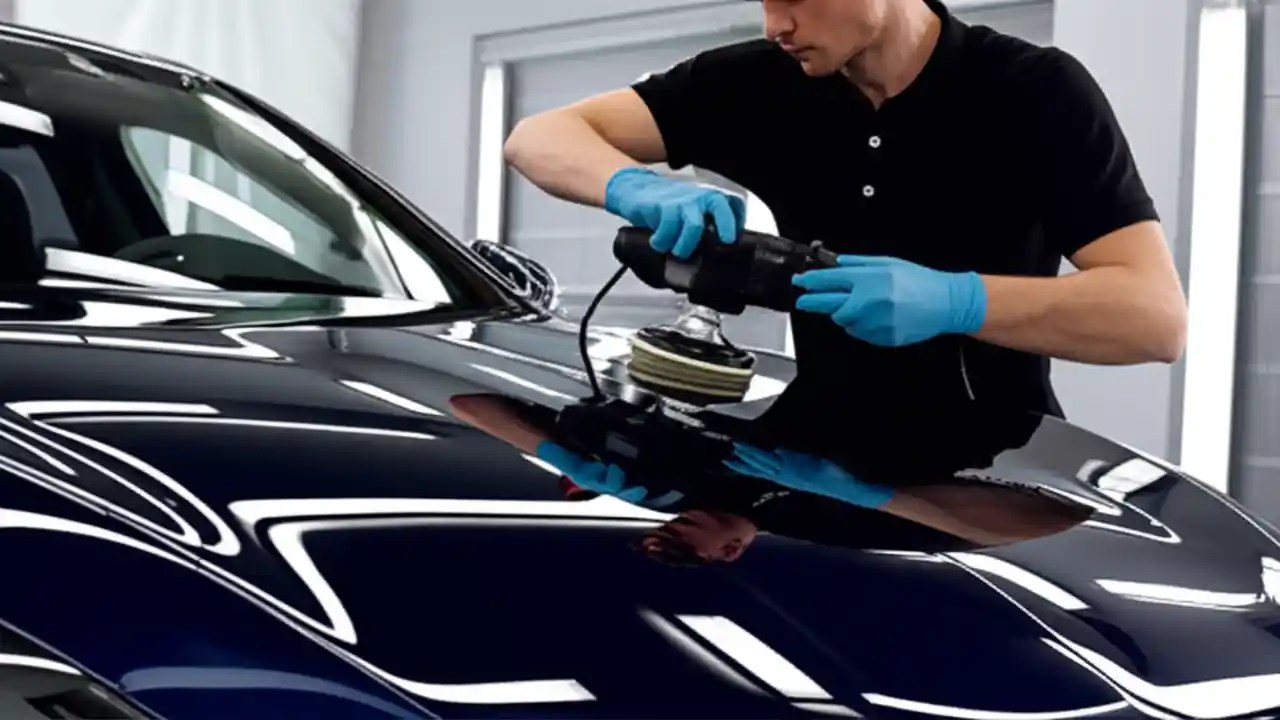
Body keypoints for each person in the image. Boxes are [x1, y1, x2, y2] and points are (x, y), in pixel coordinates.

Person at [503, 0, 1189, 419]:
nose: (777, 23)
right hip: (808, 455)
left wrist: (960, 301)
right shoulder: (756, 83)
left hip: (988, 477)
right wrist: (633, 185)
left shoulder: (1037, 92)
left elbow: (1154, 320)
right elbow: (538, 138)